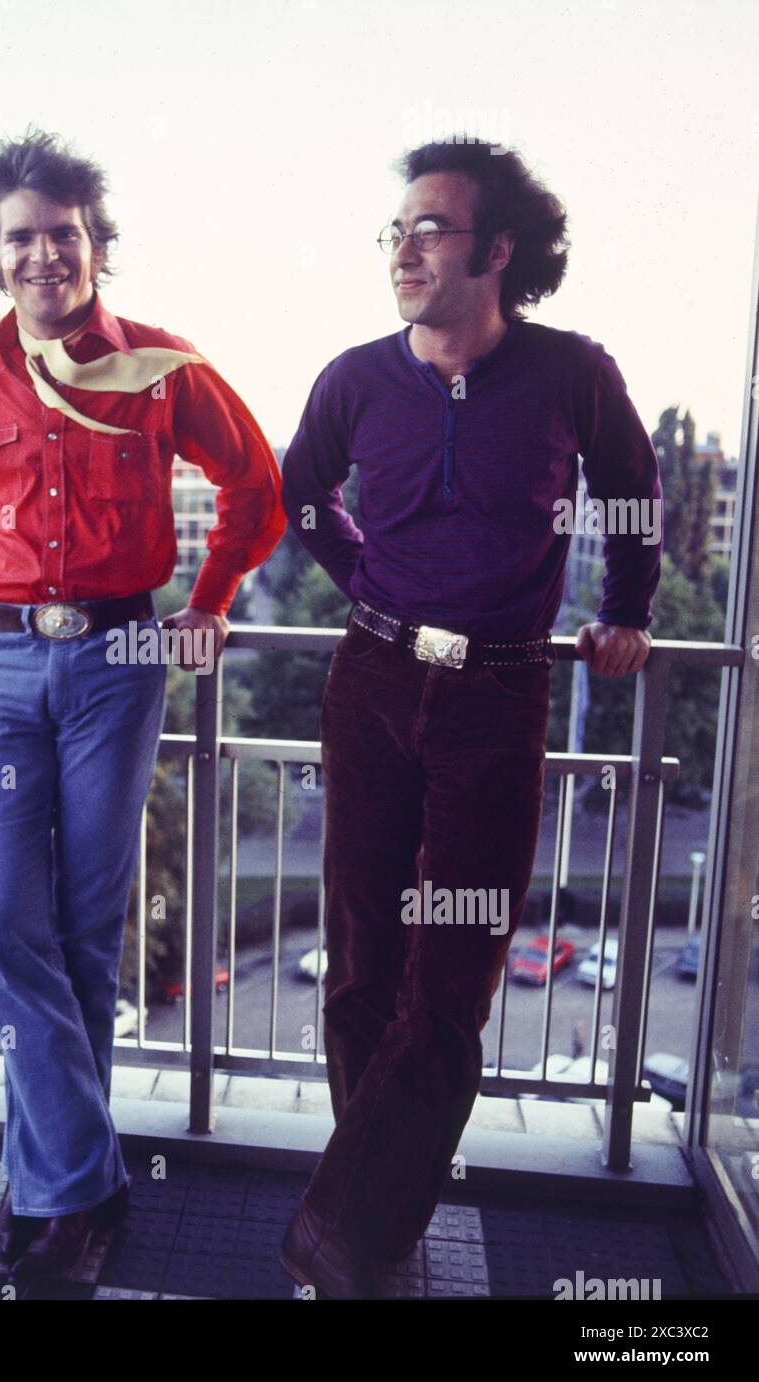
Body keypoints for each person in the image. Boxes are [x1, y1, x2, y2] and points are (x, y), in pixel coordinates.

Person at [278, 138, 662, 1298]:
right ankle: (378, 1236)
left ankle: (344, 1224)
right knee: (361, 965)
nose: (406, 246)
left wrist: (629, 610)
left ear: (498, 250)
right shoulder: (353, 378)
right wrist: (373, 597)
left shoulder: (570, 374)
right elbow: (301, 498)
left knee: (452, 978)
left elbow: (638, 491)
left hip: (502, 691)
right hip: (374, 681)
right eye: (397, 227)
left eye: (432, 227)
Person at [0, 129, 284, 1278]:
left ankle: (57, 1199)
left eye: (62, 236)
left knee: (84, 929)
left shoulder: (160, 366)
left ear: (96, 247)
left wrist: (214, 599)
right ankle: (84, 1180)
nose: (43, 256)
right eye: (20, 238)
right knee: (3, 923)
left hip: (122, 658)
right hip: (7, 663)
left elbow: (256, 484)